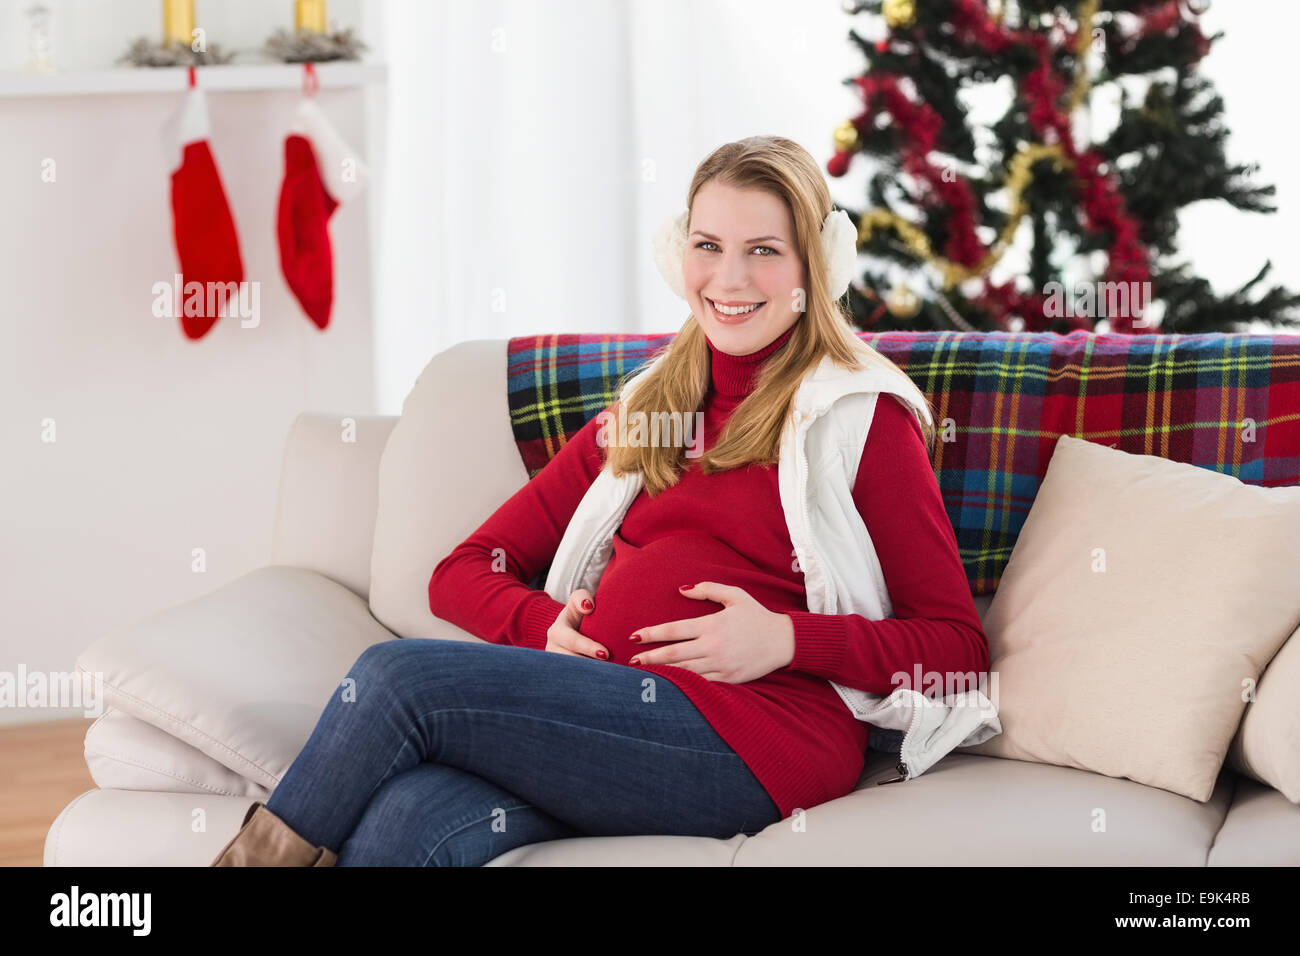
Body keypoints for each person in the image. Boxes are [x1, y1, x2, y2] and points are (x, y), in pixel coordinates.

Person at [210, 134, 988, 867]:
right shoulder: (649, 411)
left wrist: (787, 638)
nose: (730, 279)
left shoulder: (861, 417)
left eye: (764, 251)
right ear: (678, 253)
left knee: (394, 680)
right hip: (600, 720)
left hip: (757, 740)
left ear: (817, 265)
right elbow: (463, 570)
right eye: (708, 246)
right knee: (407, 817)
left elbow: (957, 648)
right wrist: (542, 624)